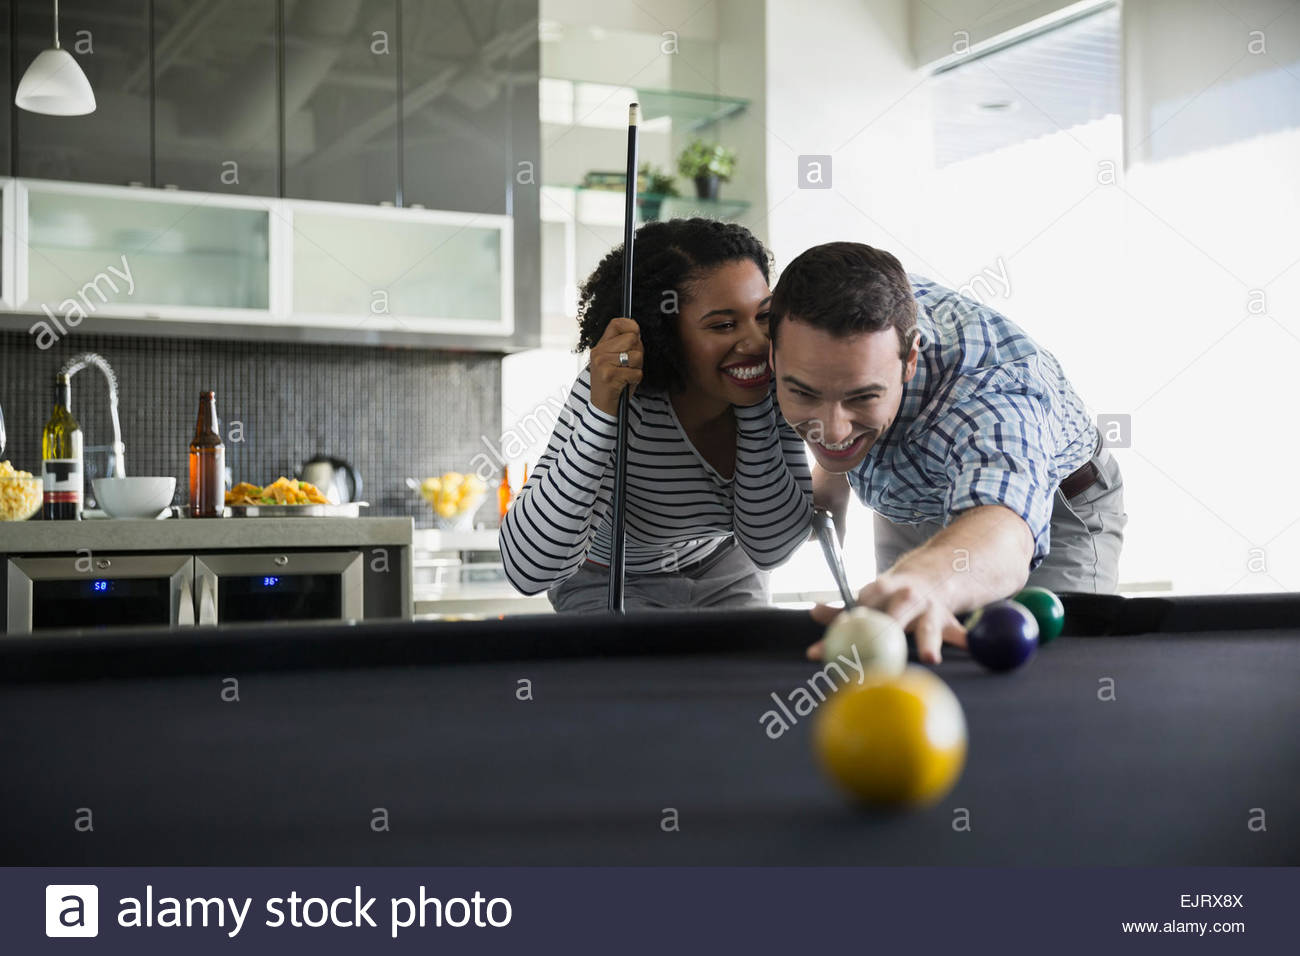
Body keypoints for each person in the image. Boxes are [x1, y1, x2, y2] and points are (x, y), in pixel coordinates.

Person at [767, 241, 1125, 662]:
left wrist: (929, 580)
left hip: (1048, 507)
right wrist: (834, 470)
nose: (831, 427)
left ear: (910, 359)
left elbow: (1005, 525)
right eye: (804, 393)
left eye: (863, 397)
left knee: (1052, 672)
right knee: (914, 651)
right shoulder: (785, 319)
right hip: (909, 493)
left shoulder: (991, 393)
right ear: (772, 352)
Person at [501, 218, 813, 611]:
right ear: (661, 332)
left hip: (725, 570)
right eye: (724, 325)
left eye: (763, 317)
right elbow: (527, 570)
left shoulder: (774, 384)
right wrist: (601, 416)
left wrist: (752, 408)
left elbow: (772, 549)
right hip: (609, 579)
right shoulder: (615, 388)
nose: (755, 342)